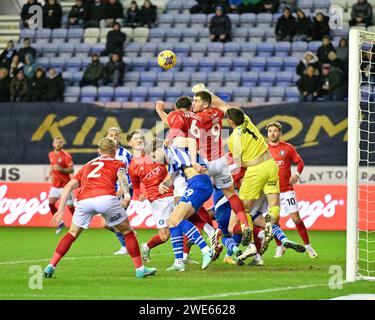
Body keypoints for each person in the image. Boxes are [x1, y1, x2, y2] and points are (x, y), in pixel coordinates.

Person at [43, 137, 157, 279]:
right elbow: (123, 181)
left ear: (100, 150)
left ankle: (51, 266)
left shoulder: (88, 164)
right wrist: (127, 196)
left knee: (72, 233)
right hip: (105, 199)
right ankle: (140, 269)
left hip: (84, 200)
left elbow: (68, 187)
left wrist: (60, 210)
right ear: (115, 150)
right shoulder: (118, 162)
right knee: (128, 231)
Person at [161, 137, 214, 272]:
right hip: (195, 183)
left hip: (199, 182)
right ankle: (179, 262)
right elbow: (171, 178)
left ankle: (206, 249)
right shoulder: (172, 159)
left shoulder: (174, 142)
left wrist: (194, 162)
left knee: (178, 218)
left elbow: (191, 141)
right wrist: (162, 185)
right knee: (172, 221)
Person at [267, 121, 318, 259]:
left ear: (280, 133)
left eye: (275, 131)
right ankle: (279, 248)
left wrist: (296, 174)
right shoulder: (263, 149)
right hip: (272, 192)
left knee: (296, 219)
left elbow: (300, 162)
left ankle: (308, 246)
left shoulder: (288, 148)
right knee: (273, 222)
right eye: (270, 130)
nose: (272, 133)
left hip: (287, 190)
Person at [128, 135, 174, 263]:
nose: (139, 140)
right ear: (130, 143)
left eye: (141, 138)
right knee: (164, 236)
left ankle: (183, 258)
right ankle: (146, 246)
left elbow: (172, 167)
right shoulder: (132, 167)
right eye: (136, 138)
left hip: (173, 194)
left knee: (184, 223)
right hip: (157, 201)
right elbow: (136, 188)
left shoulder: (154, 154)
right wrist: (140, 195)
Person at [105, 127, 133, 255]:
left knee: (115, 220)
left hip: (122, 190)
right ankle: (129, 233)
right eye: (111, 135)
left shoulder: (125, 154)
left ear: (120, 138)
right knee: (105, 224)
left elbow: (131, 172)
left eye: (116, 135)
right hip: (109, 191)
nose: (114, 137)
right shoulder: (103, 154)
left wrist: (123, 188)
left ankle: (125, 246)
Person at [45, 137, 75, 234]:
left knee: (70, 206)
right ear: (53, 144)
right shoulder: (51, 154)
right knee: (51, 203)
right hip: (55, 185)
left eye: (60, 142)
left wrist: (61, 169)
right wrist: (48, 175)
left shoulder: (66, 156)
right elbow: (52, 166)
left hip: (65, 186)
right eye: (56, 142)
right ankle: (60, 222)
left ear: (62, 144)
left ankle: (78, 224)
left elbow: (71, 170)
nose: (58, 144)